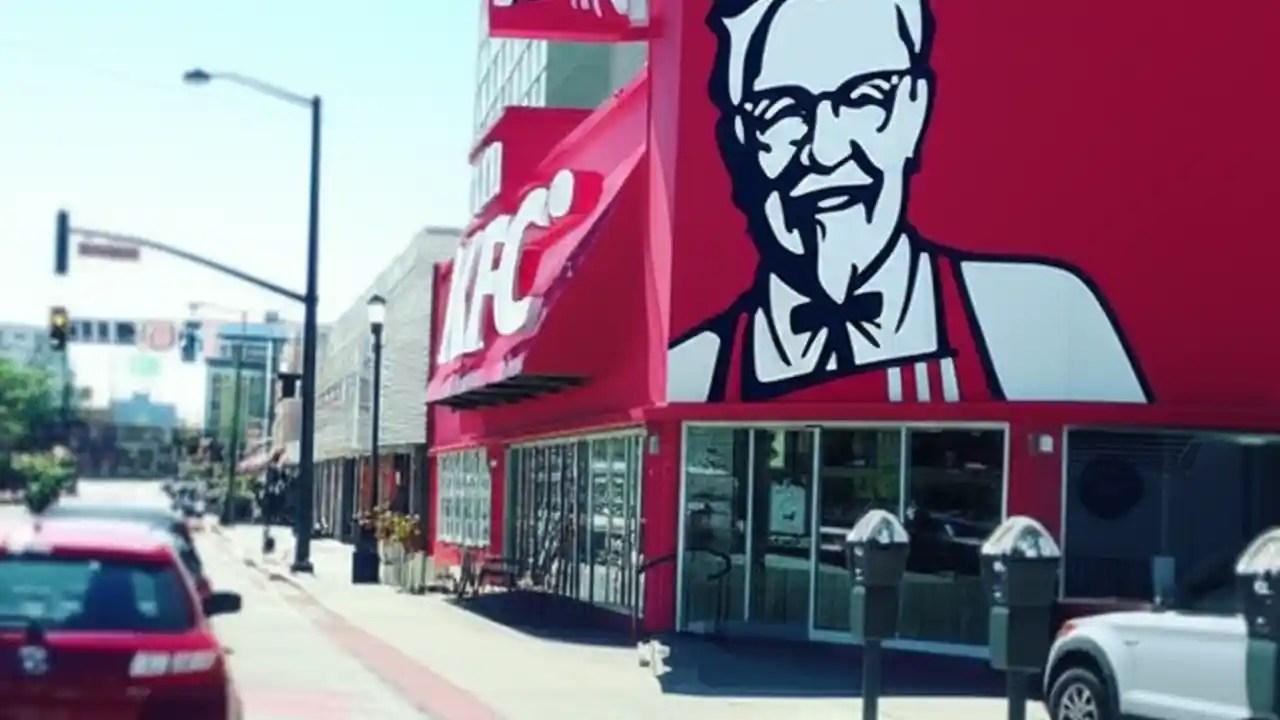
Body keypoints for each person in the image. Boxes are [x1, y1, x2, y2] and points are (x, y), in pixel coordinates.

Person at [668, 0, 1152, 405]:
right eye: (782, 111)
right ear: (742, 140)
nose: (826, 150)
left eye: (864, 98)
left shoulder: (1037, 315)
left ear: (915, 110)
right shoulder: (693, 367)